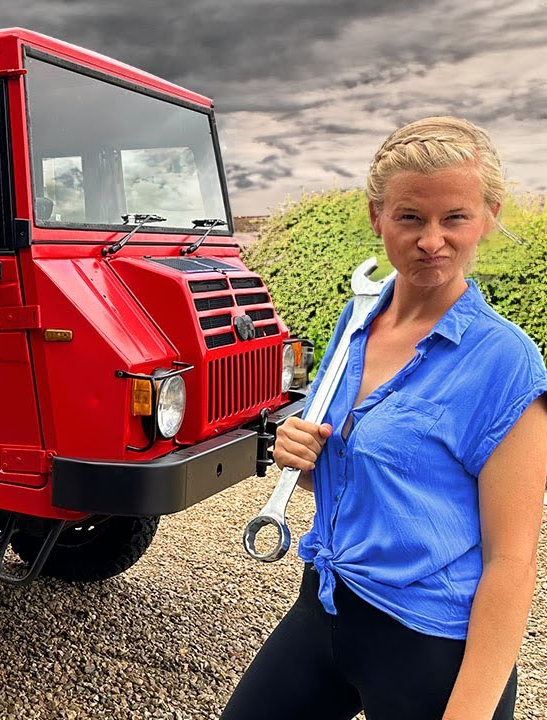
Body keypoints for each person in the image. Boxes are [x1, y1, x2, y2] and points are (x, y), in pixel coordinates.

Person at [222, 116, 547, 720]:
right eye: (410, 217)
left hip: (432, 643)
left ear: (487, 216)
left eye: (455, 217)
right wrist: (302, 449)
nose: (432, 240)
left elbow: (513, 560)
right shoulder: (358, 320)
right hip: (328, 602)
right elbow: (352, 464)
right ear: (377, 217)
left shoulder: (505, 363)